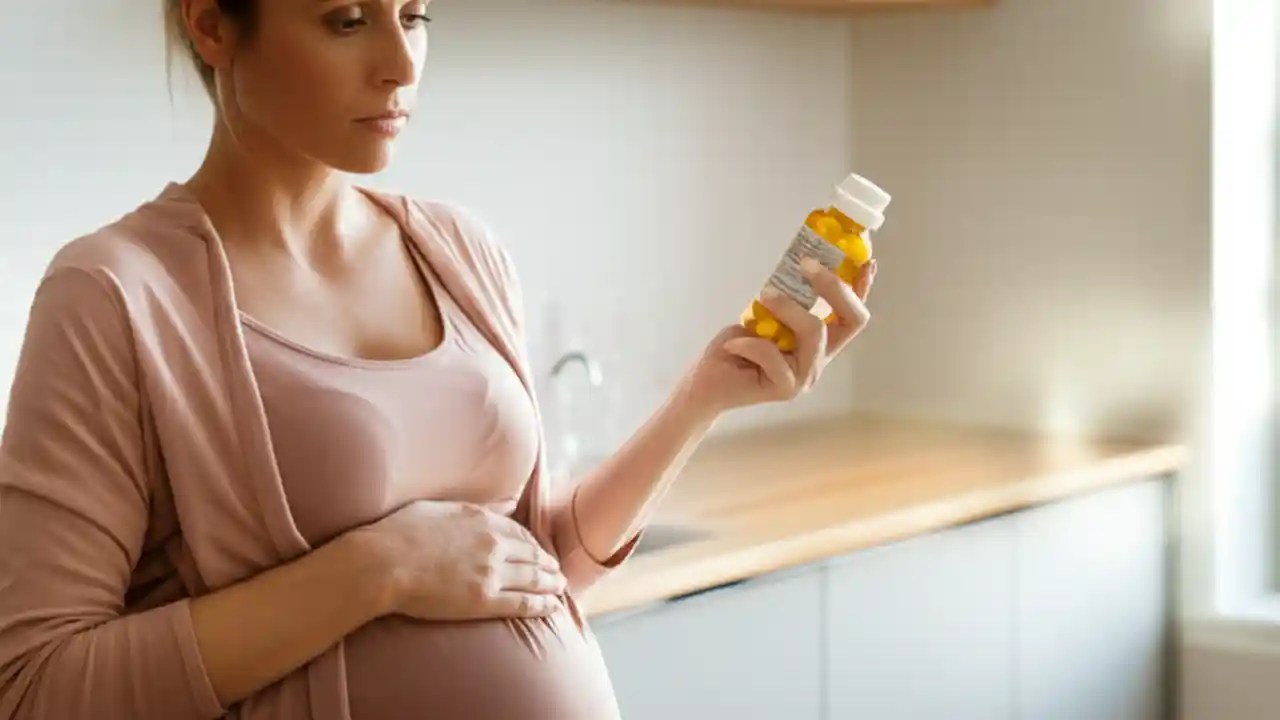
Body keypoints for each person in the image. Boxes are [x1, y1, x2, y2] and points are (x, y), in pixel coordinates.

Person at [0, 1, 878, 718]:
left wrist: (704, 396)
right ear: (212, 24)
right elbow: (35, 684)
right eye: (347, 20)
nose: (401, 63)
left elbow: (529, 562)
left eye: (415, 15)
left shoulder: (458, 249)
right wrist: (375, 571)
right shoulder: (114, 293)